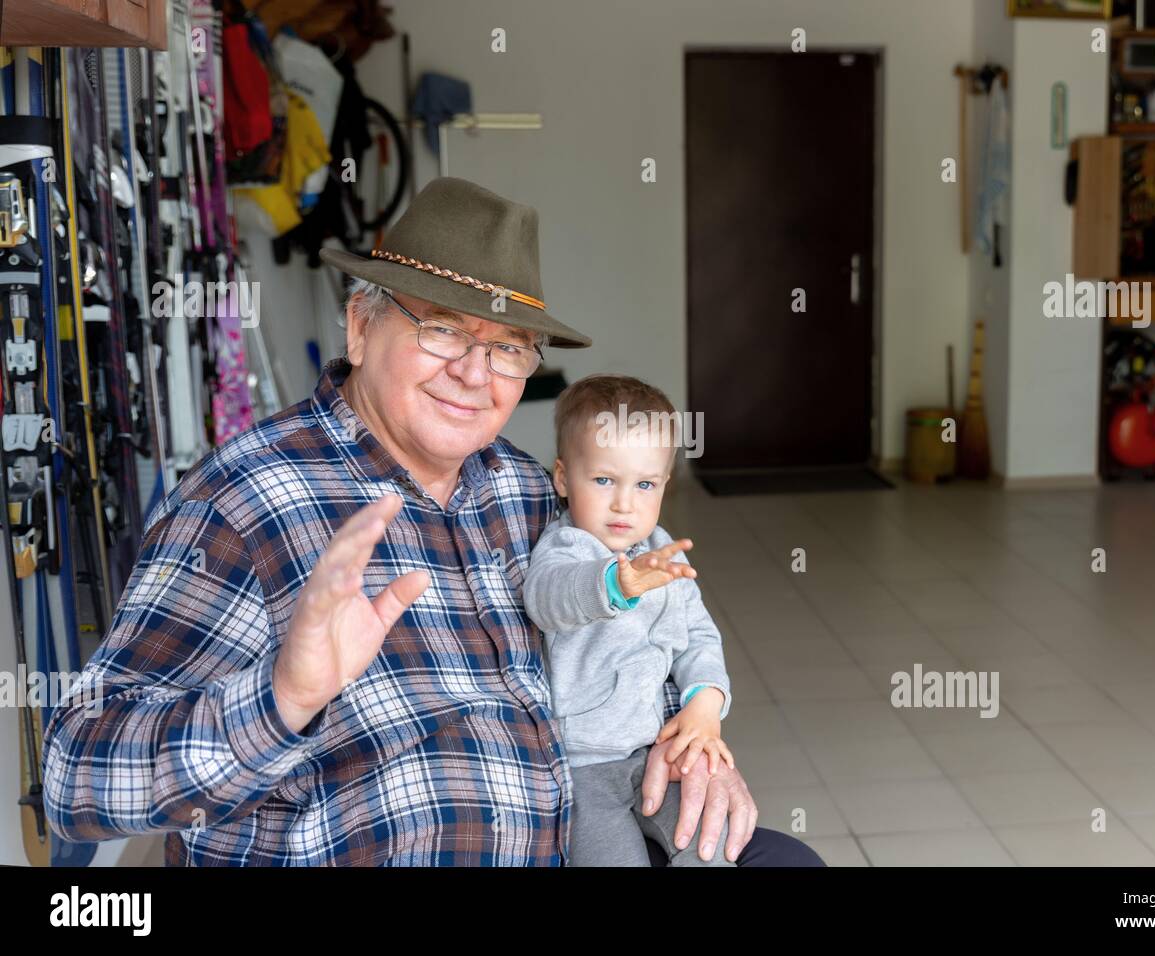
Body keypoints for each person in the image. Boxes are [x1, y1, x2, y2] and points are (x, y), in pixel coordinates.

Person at [42, 176, 824, 867]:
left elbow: (625, 640)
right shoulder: (245, 502)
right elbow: (76, 776)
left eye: (510, 347)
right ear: (359, 327)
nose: (475, 373)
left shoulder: (527, 492)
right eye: (443, 328)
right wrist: (282, 700)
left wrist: (692, 739)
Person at [525, 374, 735, 866]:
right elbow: (547, 599)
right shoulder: (565, 547)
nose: (624, 502)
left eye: (644, 484)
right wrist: (617, 585)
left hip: (658, 752)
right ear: (562, 478)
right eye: (603, 480)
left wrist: (706, 703)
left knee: (713, 846)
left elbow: (699, 638)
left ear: (664, 485)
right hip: (584, 770)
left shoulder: (662, 552)